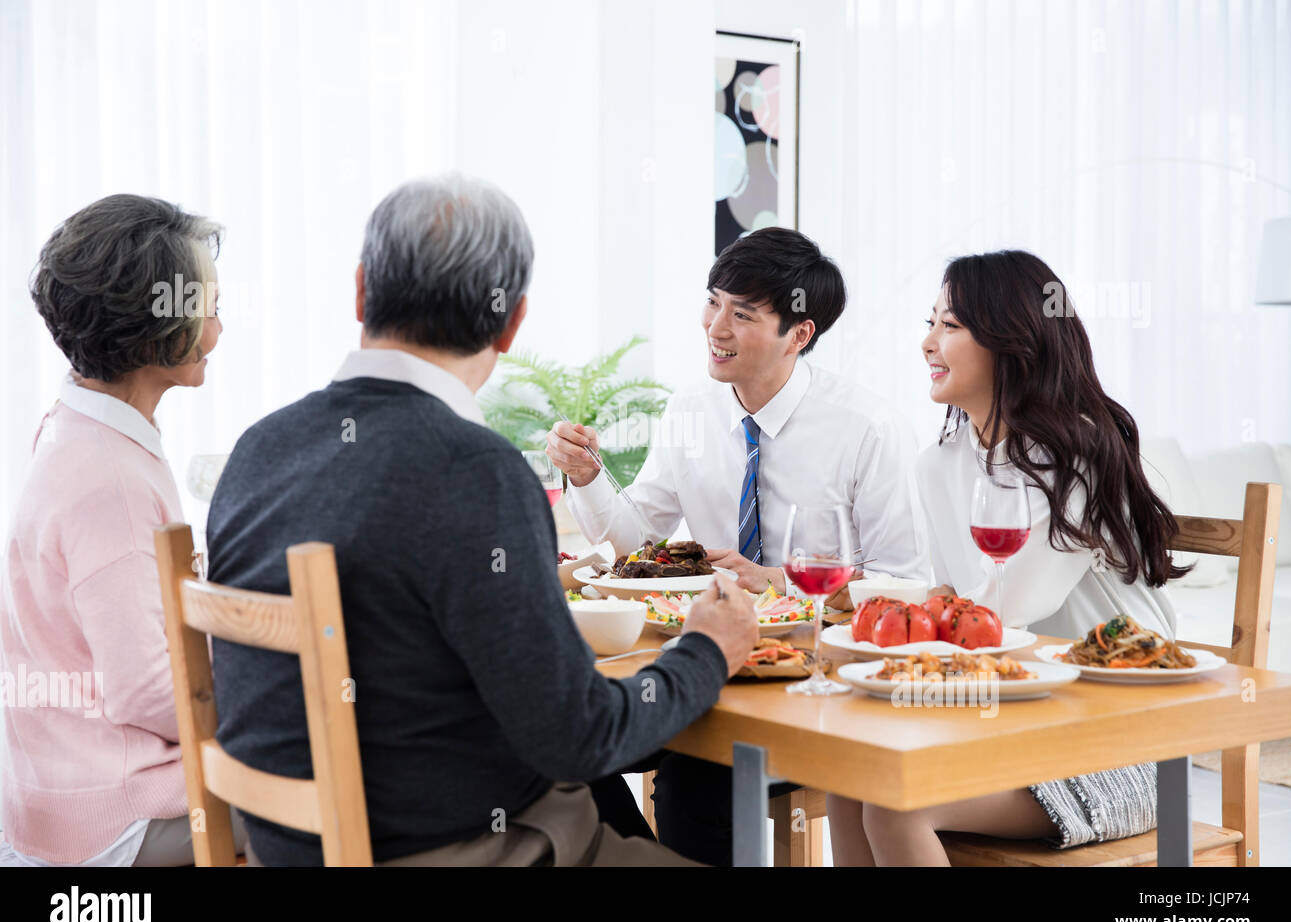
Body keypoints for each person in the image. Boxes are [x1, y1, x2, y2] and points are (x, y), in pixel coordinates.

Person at [204, 174, 758, 867]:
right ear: (512, 321)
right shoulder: (475, 470)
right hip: (452, 848)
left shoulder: (262, 447)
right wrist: (708, 648)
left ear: (360, 289)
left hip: (282, 850)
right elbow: (579, 736)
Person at [546, 227, 929, 866]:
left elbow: (904, 583)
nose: (715, 326)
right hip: (700, 669)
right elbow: (640, 539)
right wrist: (587, 480)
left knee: (696, 789)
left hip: (810, 684)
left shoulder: (867, 428)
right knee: (562, 750)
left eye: (742, 313)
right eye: (713, 302)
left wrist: (776, 580)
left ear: (798, 334)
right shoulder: (692, 408)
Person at [828, 250, 1185, 865]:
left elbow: (1008, 610)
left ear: (1010, 342)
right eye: (930, 322)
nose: (927, 343)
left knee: (893, 800)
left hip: (1117, 740)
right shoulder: (938, 466)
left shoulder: (1078, 453)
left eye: (950, 326)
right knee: (846, 776)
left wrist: (911, 609)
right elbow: (952, 613)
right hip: (1007, 720)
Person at [0, 194, 246, 866]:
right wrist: (278, 690)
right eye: (210, 310)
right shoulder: (107, 477)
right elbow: (146, 691)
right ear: (146, 331)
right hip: (115, 817)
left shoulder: (76, 432)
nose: (219, 333)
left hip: (61, 795)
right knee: (341, 789)